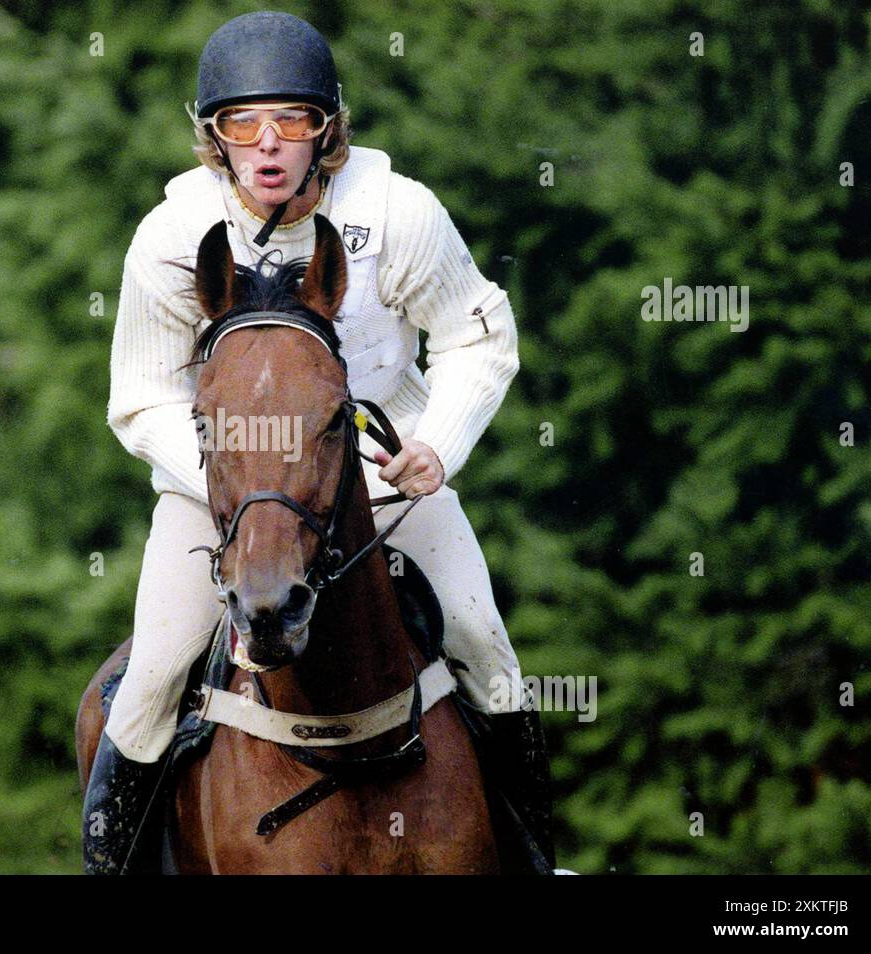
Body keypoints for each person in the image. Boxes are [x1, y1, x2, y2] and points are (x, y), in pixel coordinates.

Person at [85, 10, 553, 874]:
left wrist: (436, 447)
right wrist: (244, 477)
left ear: (325, 130)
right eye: (242, 124)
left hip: (384, 480)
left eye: (291, 122)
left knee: (487, 646)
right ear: (214, 137)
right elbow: (140, 398)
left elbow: (480, 335)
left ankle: (532, 860)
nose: (268, 146)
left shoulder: (399, 213)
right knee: (149, 681)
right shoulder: (168, 239)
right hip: (220, 502)